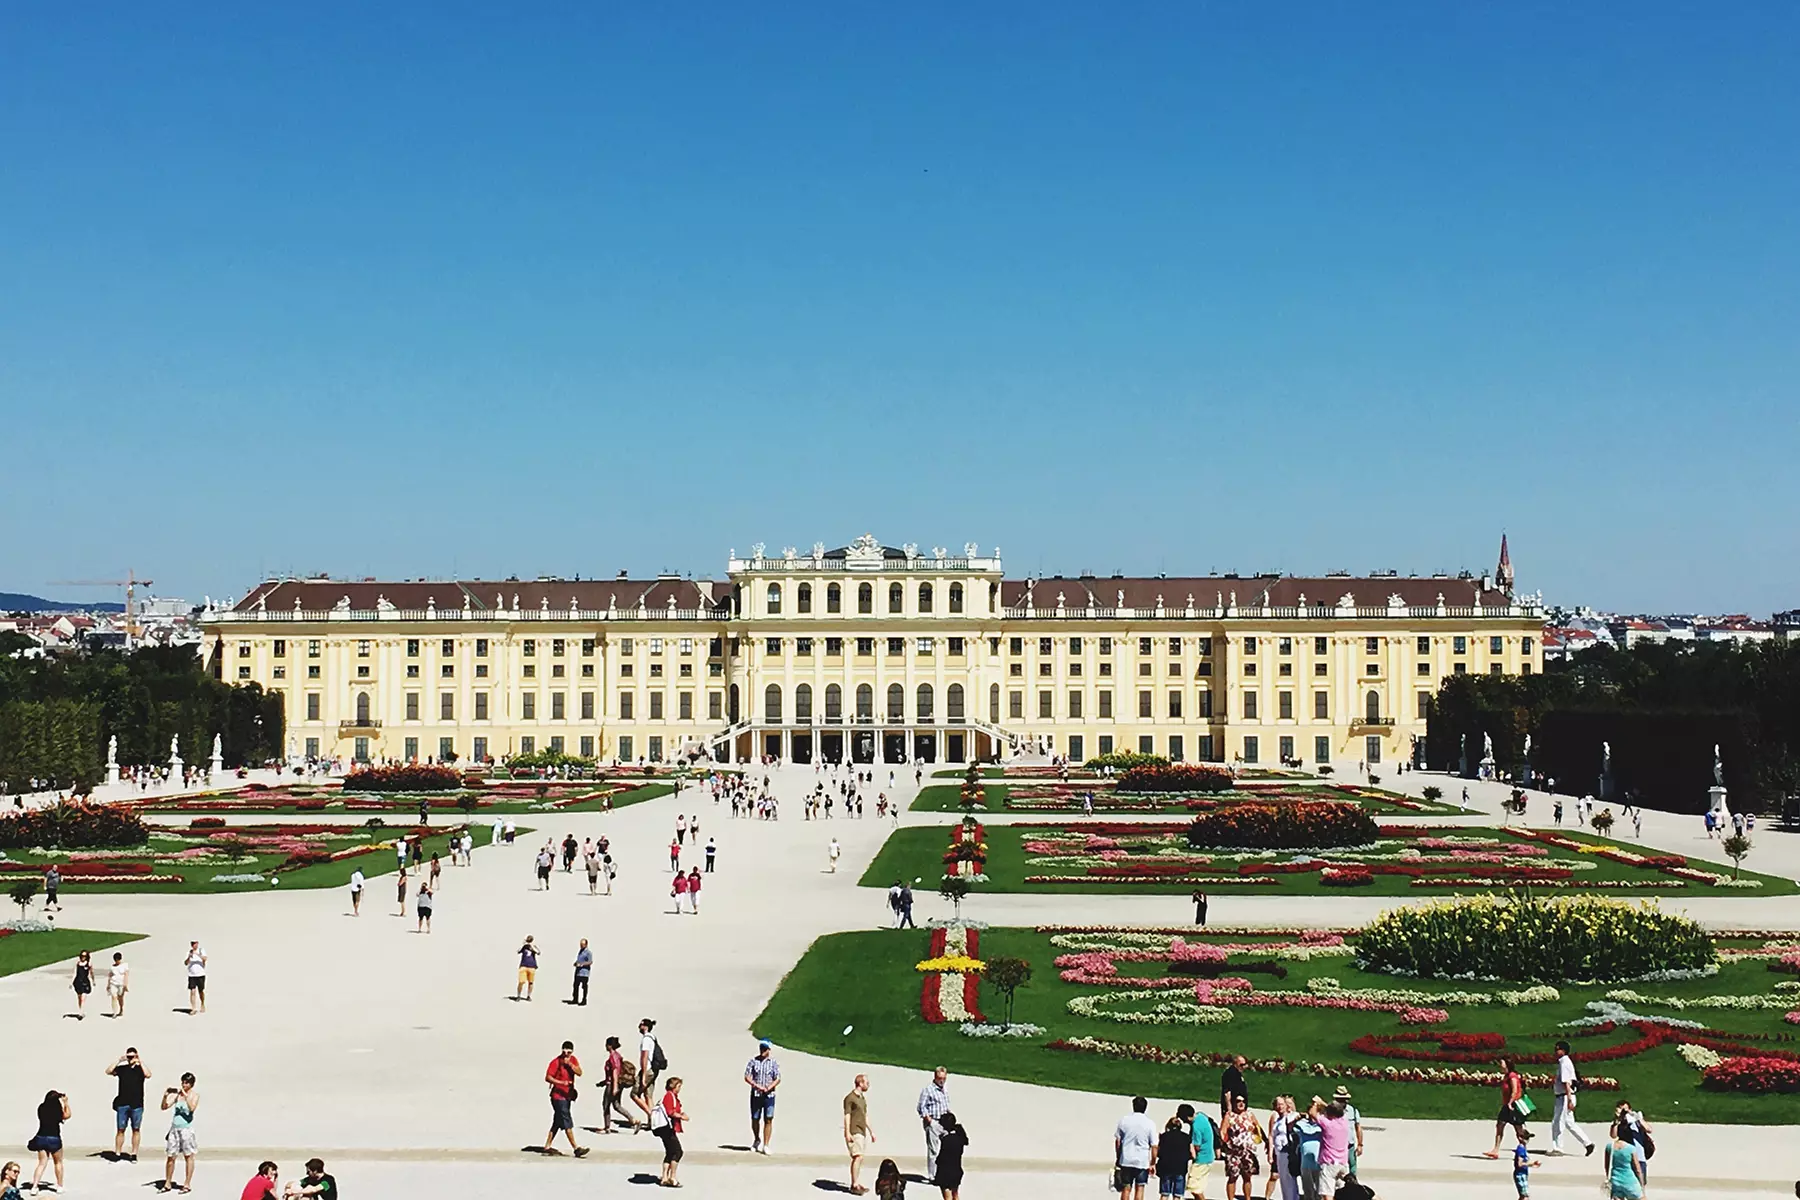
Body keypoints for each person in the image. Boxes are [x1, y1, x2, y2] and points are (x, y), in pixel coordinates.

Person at [542, 1040, 588, 1157]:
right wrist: (561, 1082)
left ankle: (547, 1146)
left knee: (557, 1121)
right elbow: (548, 1077)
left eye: (569, 1051)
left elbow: (580, 1072)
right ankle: (576, 1148)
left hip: (567, 1096)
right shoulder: (556, 1062)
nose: (566, 1053)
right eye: (565, 1050)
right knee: (567, 1120)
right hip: (558, 1096)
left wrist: (571, 1065)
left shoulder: (573, 1060)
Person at [1550, 1041, 1594, 1156]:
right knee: (1570, 1123)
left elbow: (1567, 1083)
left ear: (1563, 1051)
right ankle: (1588, 1143)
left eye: (1557, 1049)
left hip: (1565, 1096)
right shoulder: (1564, 1062)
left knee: (1558, 1123)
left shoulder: (1564, 1062)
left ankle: (1558, 1148)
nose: (1555, 1051)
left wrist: (1569, 1099)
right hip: (1565, 1096)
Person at [108, 1046, 151, 1161]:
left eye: (133, 1056)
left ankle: (134, 1153)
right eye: (129, 1056)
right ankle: (117, 1153)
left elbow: (148, 1074)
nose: (131, 1058)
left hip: (137, 1104)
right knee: (120, 1129)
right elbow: (109, 1071)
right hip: (123, 1103)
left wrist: (140, 1061)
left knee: (136, 1129)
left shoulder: (140, 1069)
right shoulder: (123, 1069)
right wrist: (119, 1060)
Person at [161, 1072, 199, 1194]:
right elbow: (164, 1107)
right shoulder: (178, 1096)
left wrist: (185, 1095)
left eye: (186, 1082)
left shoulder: (194, 1095)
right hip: (174, 1128)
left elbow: (191, 1109)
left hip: (186, 1129)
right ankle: (167, 1182)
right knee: (171, 1156)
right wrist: (165, 1095)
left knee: (189, 1156)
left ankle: (187, 1184)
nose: (184, 1084)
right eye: (183, 1082)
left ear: (191, 1084)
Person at [1114, 1095, 1157, 1200]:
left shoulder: (1124, 1120)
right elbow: (1154, 1146)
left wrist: (1118, 1157)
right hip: (1141, 1161)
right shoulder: (1150, 1123)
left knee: (1126, 1188)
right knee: (1140, 1188)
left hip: (1126, 1158)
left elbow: (1118, 1141)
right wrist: (1153, 1162)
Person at [1487, 1056, 1530, 1158]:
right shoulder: (1506, 1076)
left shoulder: (1512, 1076)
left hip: (1513, 1105)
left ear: (1507, 1065)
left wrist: (1510, 1103)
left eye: (1502, 1064)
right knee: (1500, 1125)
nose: (1500, 1066)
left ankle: (1523, 1149)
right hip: (1507, 1105)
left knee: (1518, 1129)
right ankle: (1495, 1150)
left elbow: (1515, 1091)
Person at [27, 1090, 69, 1194]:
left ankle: (35, 1186)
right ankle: (59, 1186)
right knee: (58, 1163)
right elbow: (67, 1115)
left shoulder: (41, 1108)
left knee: (41, 1163)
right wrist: (66, 1103)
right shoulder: (57, 1109)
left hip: (41, 1137)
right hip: (54, 1138)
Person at [1221, 1094, 1262, 1199]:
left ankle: (1247, 1198)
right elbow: (1222, 1132)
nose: (1241, 1103)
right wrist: (1226, 1145)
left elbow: (1258, 1129)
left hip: (1248, 1151)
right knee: (1232, 1177)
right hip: (1234, 1151)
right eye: (1238, 1101)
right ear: (1234, 1103)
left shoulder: (1250, 1115)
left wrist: (1260, 1139)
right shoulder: (1229, 1116)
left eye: (1243, 1101)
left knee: (1247, 1177)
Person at [745, 1038, 781, 1153]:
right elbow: (747, 1076)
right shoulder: (753, 1061)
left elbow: (778, 1078)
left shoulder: (773, 1063)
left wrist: (769, 1087)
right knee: (755, 1118)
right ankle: (756, 1140)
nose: (762, 1050)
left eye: (765, 1048)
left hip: (769, 1095)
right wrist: (756, 1086)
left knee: (768, 1119)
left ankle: (766, 1144)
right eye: (761, 1048)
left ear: (769, 1050)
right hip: (756, 1094)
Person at [651, 1077, 686, 1188]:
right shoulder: (669, 1096)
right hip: (667, 1128)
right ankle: (672, 1177)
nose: (679, 1089)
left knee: (670, 1152)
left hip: (665, 1128)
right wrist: (681, 1116)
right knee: (678, 1152)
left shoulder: (670, 1096)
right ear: (673, 1086)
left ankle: (664, 1177)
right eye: (678, 1086)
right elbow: (670, 1112)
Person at [844, 1074, 876, 1194]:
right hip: (854, 1130)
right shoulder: (850, 1098)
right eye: (866, 1082)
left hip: (862, 1131)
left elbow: (865, 1116)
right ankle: (854, 1184)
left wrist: (871, 1131)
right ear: (860, 1083)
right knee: (857, 1156)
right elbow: (847, 1115)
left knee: (860, 1157)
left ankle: (856, 1182)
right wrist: (847, 1132)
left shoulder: (862, 1098)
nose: (868, 1085)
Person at [917, 1066, 950, 1181]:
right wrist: (929, 1120)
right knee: (933, 1150)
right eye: (940, 1078)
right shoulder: (928, 1090)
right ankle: (933, 1175)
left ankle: (943, 1172)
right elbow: (921, 1107)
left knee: (946, 1149)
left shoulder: (945, 1090)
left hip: (945, 1123)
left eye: (944, 1078)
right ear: (935, 1077)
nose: (942, 1081)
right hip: (933, 1122)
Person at [1315, 1097, 1350, 1199]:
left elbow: (1312, 1113)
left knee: (1327, 1193)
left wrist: (1316, 1104)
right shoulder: (1344, 1121)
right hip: (1343, 1162)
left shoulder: (1327, 1124)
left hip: (1329, 1163)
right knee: (1343, 1191)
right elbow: (1337, 1111)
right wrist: (1323, 1103)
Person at [602, 1036, 637, 1133]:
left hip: (612, 1084)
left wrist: (614, 1087)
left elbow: (615, 1071)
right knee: (617, 1105)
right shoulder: (618, 1055)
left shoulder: (613, 1056)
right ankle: (633, 1120)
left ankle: (607, 1127)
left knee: (606, 1105)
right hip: (617, 1083)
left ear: (609, 1046)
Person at [1183, 1101, 1216, 1200]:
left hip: (1201, 1159)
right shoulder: (1201, 1116)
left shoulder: (1196, 1126)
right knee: (1199, 1186)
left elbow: (1196, 1146)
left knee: (1193, 1186)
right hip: (1208, 1157)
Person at [634, 1019, 664, 1126]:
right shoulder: (652, 1038)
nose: (639, 1026)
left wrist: (642, 1076)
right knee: (648, 1095)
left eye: (641, 1025)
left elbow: (644, 1057)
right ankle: (652, 1123)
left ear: (645, 1027)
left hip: (647, 1070)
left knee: (634, 1094)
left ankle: (652, 1116)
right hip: (654, 1070)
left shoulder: (646, 1039)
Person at [1603, 1122, 1645, 1199]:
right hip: (1629, 1180)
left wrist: (1608, 1177)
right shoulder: (1631, 1148)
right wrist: (1642, 1185)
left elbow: (1606, 1165)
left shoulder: (1610, 1146)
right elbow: (1638, 1169)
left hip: (1615, 1180)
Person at [1156, 1114, 1193, 1199]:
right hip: (1180, 1168)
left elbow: (1159, 1151)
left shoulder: (1164, 1136)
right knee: (1177, 1195)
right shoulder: (1186, 1137)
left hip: (1165, 1167)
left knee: (1164, 1194)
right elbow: (1192, 1153)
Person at [1331, 1086, 1363, 1176]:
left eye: (1344, 1099)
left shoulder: (1352, 1110)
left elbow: (1358, 1127)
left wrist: (1360, 1144)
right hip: (1335, 1146)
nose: (1342, 1102)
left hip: (1349, 1145)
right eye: (1339, 1100)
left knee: (1352, 1166)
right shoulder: (1331, 1110)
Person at [1511, 1129, 1541, 1200]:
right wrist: (1532, 1163)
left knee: (1523, 1196)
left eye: (1528, 1138)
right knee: (1525, 1196)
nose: (1527, 1140)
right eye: (1526, 1138)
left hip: (1522, 1174)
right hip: (1520, 1175)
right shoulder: (1521, 1149)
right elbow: (1520, 1164)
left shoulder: (1523, 1148)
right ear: (1520, 1138)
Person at [1221, 1055, 1249, 1122]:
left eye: (1245, 1064)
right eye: (1241, 1065)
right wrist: (1229, 1110)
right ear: (1235, 1064)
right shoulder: (1230, 1074)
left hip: (1239, 1108)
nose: (1244, 1067)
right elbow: (1227, 1093)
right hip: (1234, 1109)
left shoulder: (1238, 1074)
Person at [184, 941, 208, 1015]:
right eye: (192, 944)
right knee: (192, 991)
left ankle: (202, 1004)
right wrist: (189, 957)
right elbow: (185, 963)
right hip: (192, 975)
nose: (193, 945)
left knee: (201, 991)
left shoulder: (201, 950)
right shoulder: (190, 952)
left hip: (200, 974)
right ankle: (193, 1008)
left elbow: (205, 959)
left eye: (195, 943)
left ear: (197, 944)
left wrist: (198, 954)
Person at [107, 950, 130, 1017]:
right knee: (114, 997)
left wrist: (125, 984)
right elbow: (110, 976)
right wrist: (108, 985)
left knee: (120, 998)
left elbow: (126, 975)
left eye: (118, 960)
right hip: (113, 983)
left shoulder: (125, 965)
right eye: (116, 960)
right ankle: (114, 1012)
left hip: (121, 984)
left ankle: (121, 1009)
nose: (117, 961)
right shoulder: (112, 967)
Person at [516, 935, 539, 1001]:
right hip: (523, 966)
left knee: (531, 982)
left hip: (532, 966)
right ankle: (518, 995)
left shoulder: (534, 947)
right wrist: (523, 945)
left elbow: (538, 952)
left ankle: (528, 996)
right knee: (521, 981)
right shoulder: (524, 947)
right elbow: (518, 951)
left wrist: (531, 946)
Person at [71, 950, 92, 1019]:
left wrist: (93, 980)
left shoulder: (88, 964)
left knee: (83, 998)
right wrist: (71, 982)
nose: (83, 957)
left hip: (85, 982)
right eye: (82, 956)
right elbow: (75, 973)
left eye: (85, 956)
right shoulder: (78, 964)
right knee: (79, 998)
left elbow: (91, 973)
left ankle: (80, 1013)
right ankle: (81, 1011)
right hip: (78, 982)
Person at [571, 938, 593, 1006]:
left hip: (584, 973)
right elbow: (579, 959)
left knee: (584, 986)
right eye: (580, 944)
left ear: (586, 945)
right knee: (575, 985)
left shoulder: (588, 952)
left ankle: (584, 1000)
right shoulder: (580, 951)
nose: (581, 946)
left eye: (582, 944)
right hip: (578, 972)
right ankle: (575, 999)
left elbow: (590, 962)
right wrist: (576, 963)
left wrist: (582, 964)